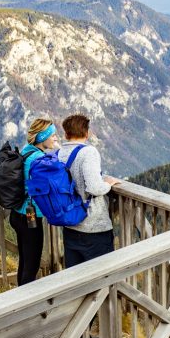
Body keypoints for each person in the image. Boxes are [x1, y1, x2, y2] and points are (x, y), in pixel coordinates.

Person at [57, 114, 119, 268]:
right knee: (101, 279)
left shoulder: (59, 153)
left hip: (70, 224)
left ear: (66, 134)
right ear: (87, 133)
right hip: (93, 227)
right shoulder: (88, 152)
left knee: (76, 279)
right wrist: (108, 184)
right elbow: (94, 187)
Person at [10, 117, 58, 286]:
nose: (55, 138)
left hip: (17, 214)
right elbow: (53, 180)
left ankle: (19, 300)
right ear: (42, 137)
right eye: (52, 135)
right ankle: (26, 308)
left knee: (24, 261)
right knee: (32, 265)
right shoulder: (37, 159)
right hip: (29, 219)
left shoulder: (26, 151)